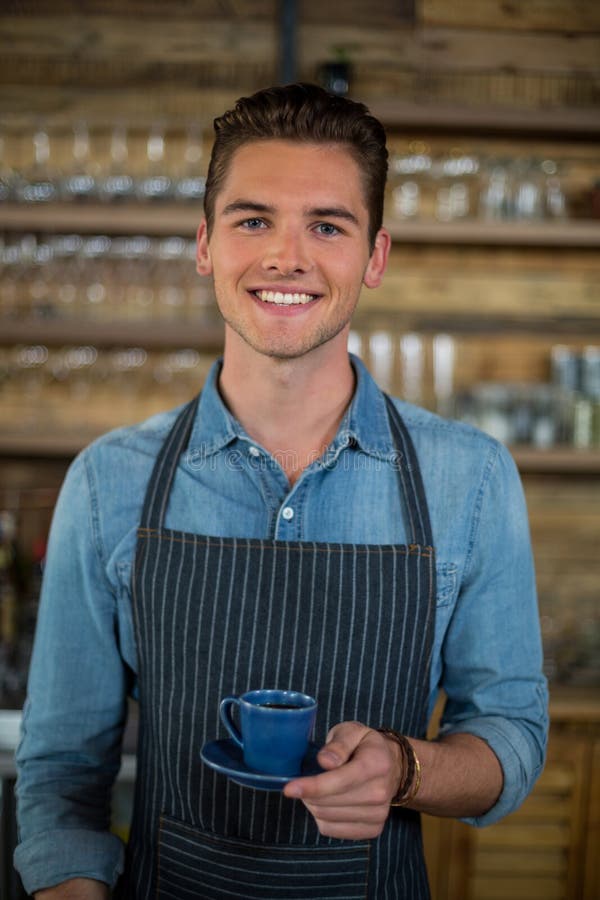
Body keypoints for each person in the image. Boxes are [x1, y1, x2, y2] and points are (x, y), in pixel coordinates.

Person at [14, 83, 548, 899]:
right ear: (204, 244)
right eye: (253, 220)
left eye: (326, 226)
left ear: (374, 257)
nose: (285, 257)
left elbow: (510, 732)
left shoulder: (468, 479)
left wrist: (405, 769)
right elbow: (61, 773)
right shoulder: (107, 482)